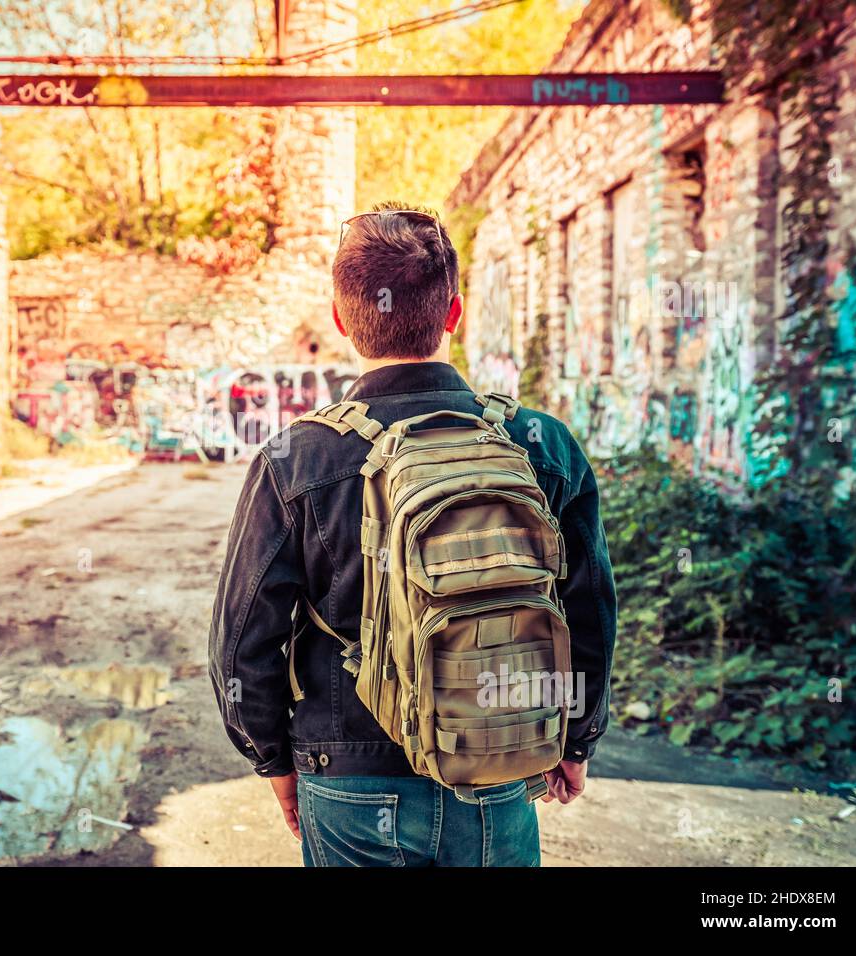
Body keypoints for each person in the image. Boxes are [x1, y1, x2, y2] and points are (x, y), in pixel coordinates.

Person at [208, 202, 617, 867]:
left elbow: (243, 638)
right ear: (453, 311)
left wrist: (274, 760)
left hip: (348, 774)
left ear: (342, 321)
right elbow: (590, 609)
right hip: (499, 759)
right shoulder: (542, 447)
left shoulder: (295, 459)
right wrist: (576, 737)